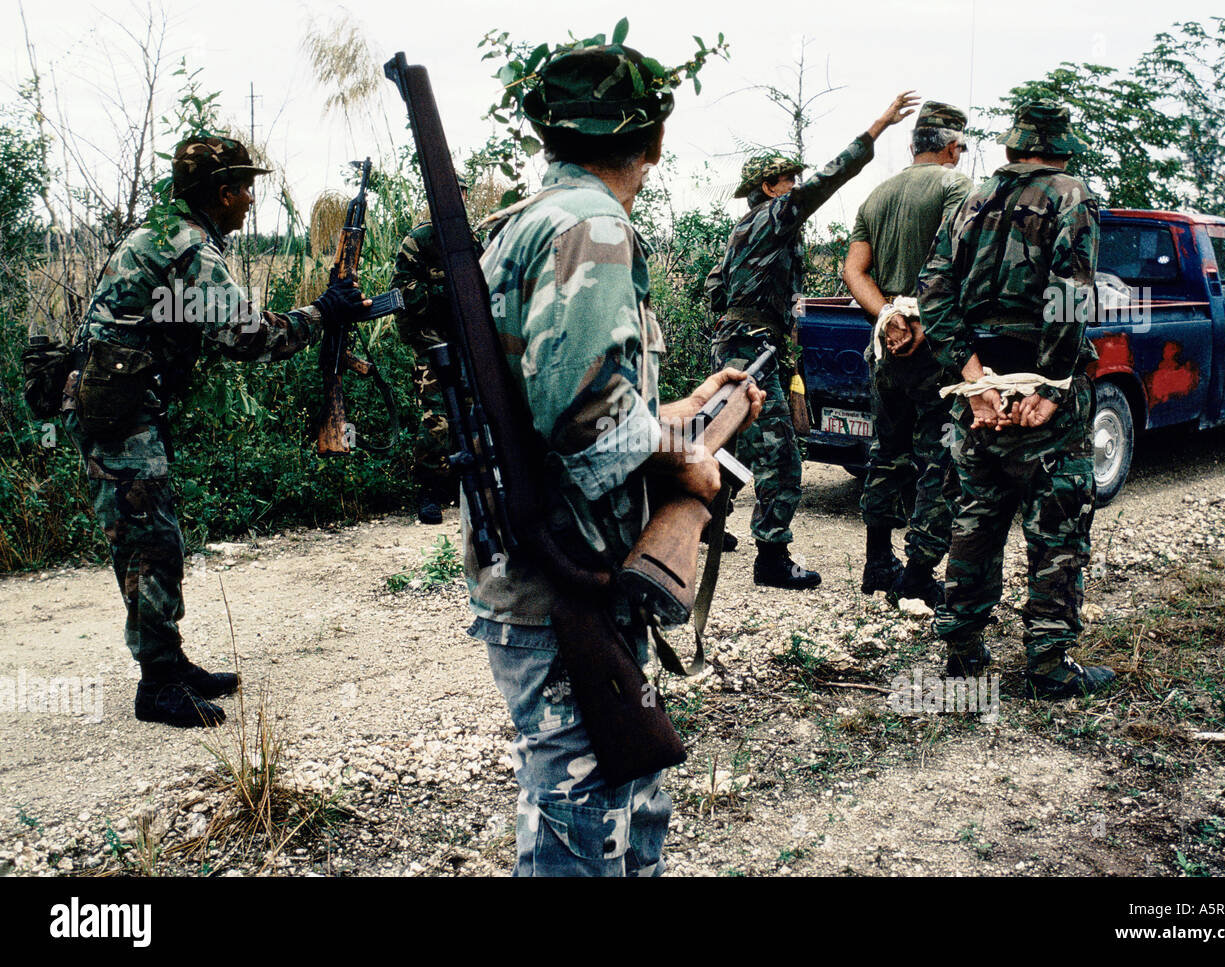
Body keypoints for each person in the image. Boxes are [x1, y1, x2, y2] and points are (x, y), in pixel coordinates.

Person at [468, 44, 762, 876]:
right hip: (567, 574)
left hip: (563, 566)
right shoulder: (592, 226)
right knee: (581, 818)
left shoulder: (533, 221)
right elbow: (588, 426)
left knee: (624, 793)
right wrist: (693, 462)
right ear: (656, 138)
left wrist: (682, 411)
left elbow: (564, 403)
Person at [65, 136, 371, 727]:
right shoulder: (189, 249)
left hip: (120, 403)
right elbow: (247, 338)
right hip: (118, 413)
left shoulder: (163, 231)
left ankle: (169, 663)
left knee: (154, 538)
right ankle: (157, 687)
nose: (253, 200)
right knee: (149, 544)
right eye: (246, 188)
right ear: (222, 193)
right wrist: (323, 312)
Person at [917, 100, 1115, 698]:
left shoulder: (972, 200)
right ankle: (1049, 666)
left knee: (975, 518)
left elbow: (933, 293)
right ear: (1059, 147)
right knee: (1055, 526)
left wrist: (976, 381)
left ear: (1012, 147)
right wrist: (1051, 384)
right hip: (1041, 394)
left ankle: (963, 652)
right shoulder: (1070, 195)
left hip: (978, 390)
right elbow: (1072, 295)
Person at [706, 90, 919, 590]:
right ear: (768, 186)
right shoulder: (774, 216)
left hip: (745, 344)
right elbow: (829, 179)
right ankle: (773, 558)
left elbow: (717, 287)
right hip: (753, 348)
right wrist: (876, 128)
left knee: (733, 439)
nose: (797, 186)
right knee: (780, 455)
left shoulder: (744, 228)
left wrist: (746, 323)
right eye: (789, 179)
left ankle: (705, 522)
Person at [842, 100, 973, 607]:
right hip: (935, 344)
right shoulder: (956, 187)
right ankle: (918, 575)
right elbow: (951, 260)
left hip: (887, 348)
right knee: (939, 457)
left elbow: (853, 271)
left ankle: (878, 564)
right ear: (948, 147)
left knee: (887, 452)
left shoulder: (876, 194)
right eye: (959, 147)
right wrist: (917, 319)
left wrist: (888, 317)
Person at [389, 174, 481, 525]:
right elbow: (403, 292)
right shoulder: (419, 240)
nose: (454, 198)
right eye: (448, 192)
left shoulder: (469, 240)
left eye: (460, 193)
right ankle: (429, 490)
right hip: (429, 340)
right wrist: (447, 297)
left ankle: (468, 485)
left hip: (465, 342)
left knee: (473, 411)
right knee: (437, 418)